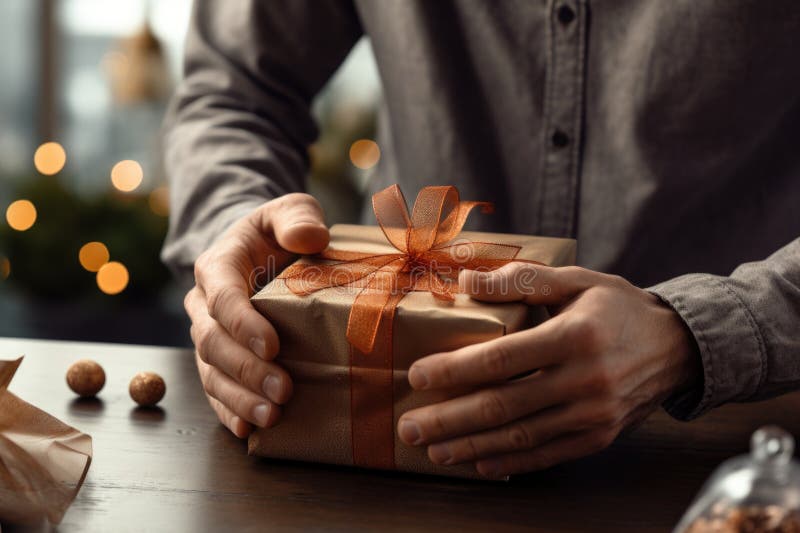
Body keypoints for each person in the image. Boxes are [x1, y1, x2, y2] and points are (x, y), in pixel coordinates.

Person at [162, 1, 800, 479]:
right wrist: (234, 232)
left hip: (741, 449)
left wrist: (695, 333)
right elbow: (233, 89)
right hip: (378, 446)